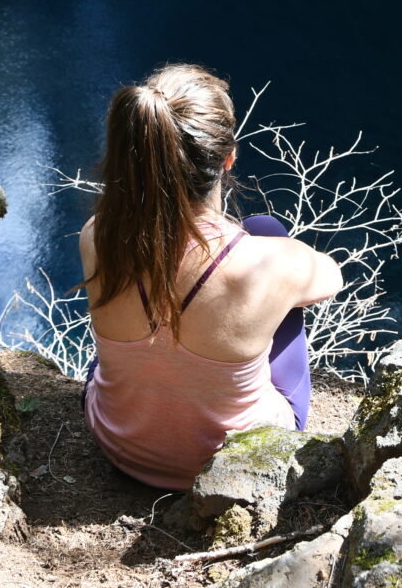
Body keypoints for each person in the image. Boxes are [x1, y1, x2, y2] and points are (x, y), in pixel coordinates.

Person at [80, 64, 343, 490]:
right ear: (229, 157)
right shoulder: (270, 263)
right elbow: (332, 278)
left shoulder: (97, 235)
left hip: (117, 444)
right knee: (267, 229)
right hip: (231, 465)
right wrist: (249, 256)